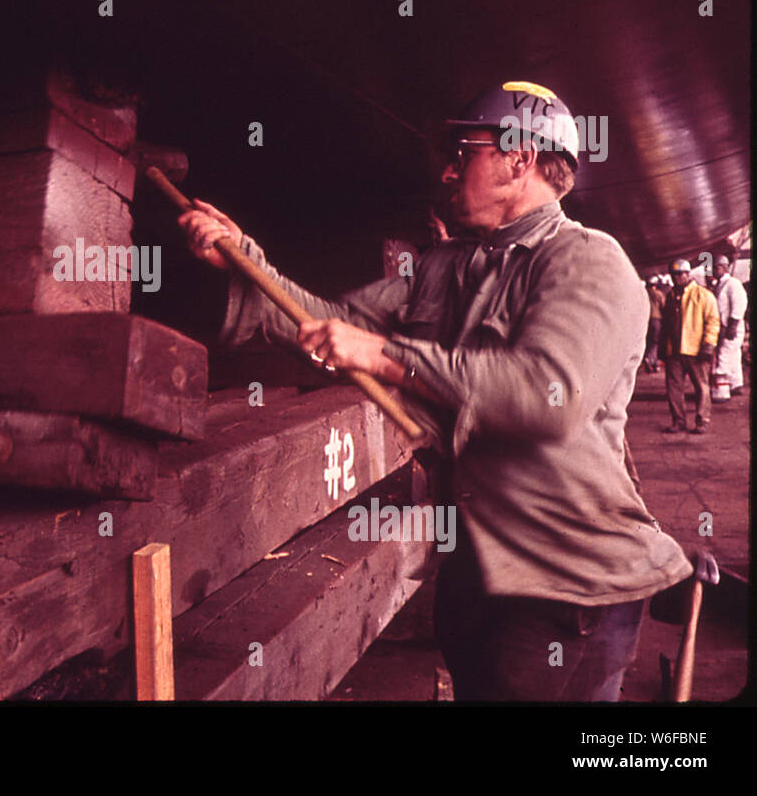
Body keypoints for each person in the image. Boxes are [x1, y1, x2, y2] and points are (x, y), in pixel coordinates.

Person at [178, 80, 692, 701]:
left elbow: (546, 395)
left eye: (466, 152)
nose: (449, 171)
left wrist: (389, 357)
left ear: (518, 158)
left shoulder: (588, 261)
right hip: (478, 575)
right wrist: (245, 260)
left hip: (568, 586)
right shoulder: (444, 268)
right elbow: (328, 325)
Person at [659, 258, 720, 434]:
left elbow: (713, 321)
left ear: (688, 274)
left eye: (680, 274)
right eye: (674, 274)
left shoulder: (703, 295)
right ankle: (678, 421)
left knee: (701, 386)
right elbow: (665, 325)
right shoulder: (670, 296)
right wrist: (664, 347)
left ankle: (702, 421)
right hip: (675, 351)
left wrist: (708, 345)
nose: (677, 278)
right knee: (673, 388)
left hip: (696, 351)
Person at [712, 255, 747, 396]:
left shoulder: (733, 284)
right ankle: (736, 384)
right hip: (724, 326)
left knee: (724, 356)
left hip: (732, 326)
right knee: (734, 355)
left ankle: (721, 391)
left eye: (717, 267)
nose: (714, 270)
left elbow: (739, 304)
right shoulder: (719, 284)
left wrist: (733, 324)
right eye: (713, 268)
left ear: (726, 267)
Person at [643, 277, 666, 372]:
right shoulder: (659, 294)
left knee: (647, 341)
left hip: (645, 319)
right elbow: (663, 306)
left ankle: (652, 360)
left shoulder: (643, 294)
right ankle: (650, 359)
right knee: (655, 342)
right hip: (656, 320)